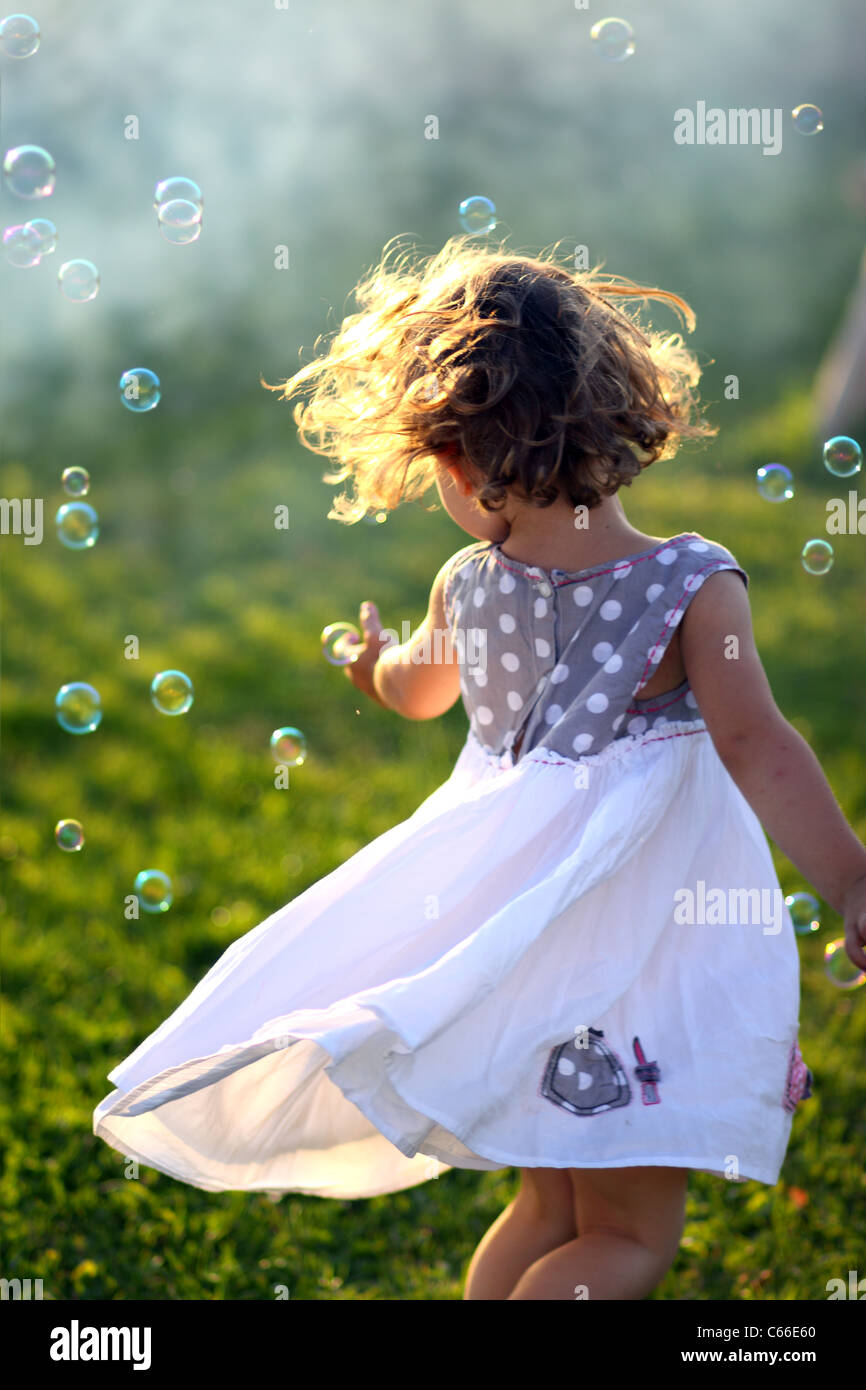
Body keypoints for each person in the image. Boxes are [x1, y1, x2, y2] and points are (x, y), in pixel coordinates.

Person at [93, 238, 866, 1301]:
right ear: (618, 408)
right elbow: (756, 744)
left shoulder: (468, 586)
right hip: (639, 954)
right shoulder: (693, 583)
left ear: (456, 464)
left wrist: (371, 667)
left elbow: (416, 691)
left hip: (519, 954)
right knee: (627, 1237)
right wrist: (852, 879)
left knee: (544, 1205)